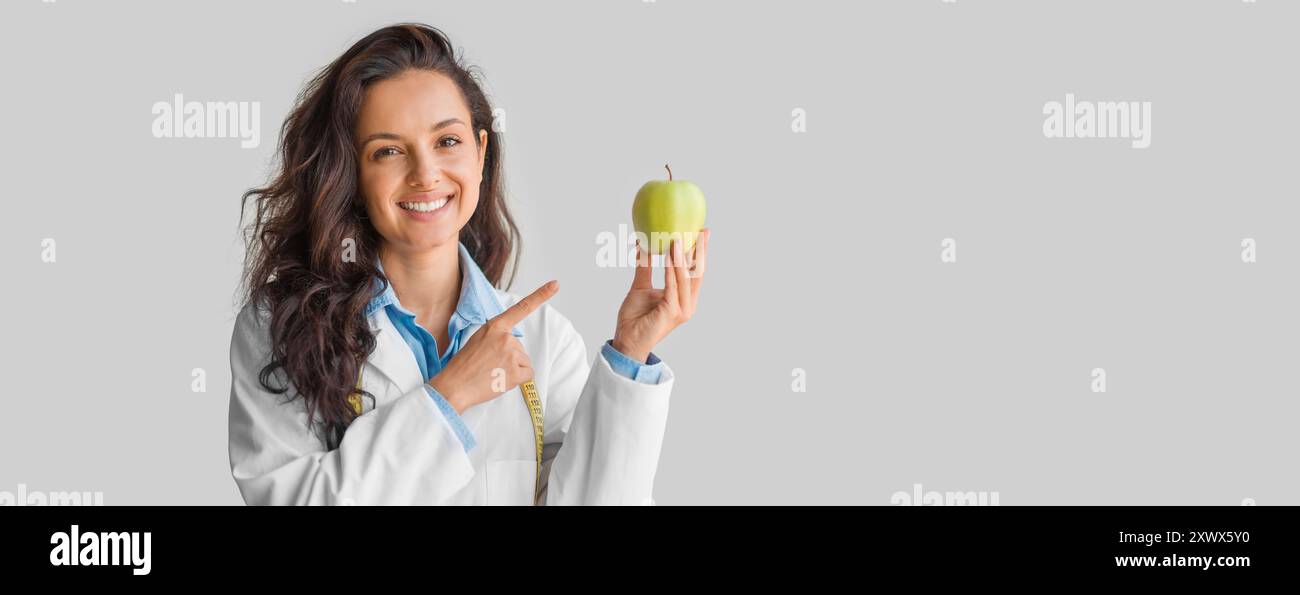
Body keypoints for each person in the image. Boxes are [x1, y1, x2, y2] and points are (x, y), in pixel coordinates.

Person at [228, 23, 709, 505]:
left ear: (480, 153)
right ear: (351, 173)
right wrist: (447, 397)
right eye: (388, 151)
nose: (425, 175)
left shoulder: (544, 341)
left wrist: (630, 352)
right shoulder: (282, 327)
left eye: (448, 142)